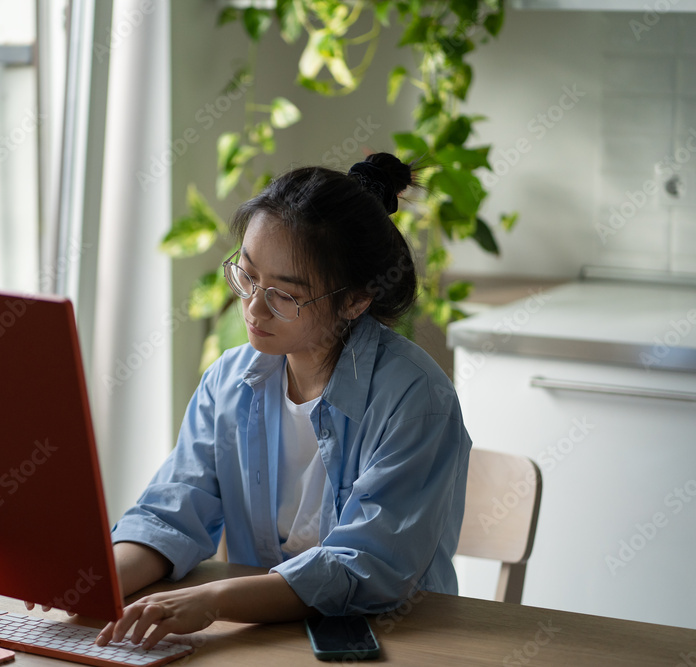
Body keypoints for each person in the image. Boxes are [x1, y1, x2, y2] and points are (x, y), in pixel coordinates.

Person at [95, 152, 472, 649]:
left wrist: (214, 600)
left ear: (356, 299)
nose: (253, 307)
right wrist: (96, 587)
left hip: (395, 644)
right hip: (268, 639)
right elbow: (171, 515)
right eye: (247, 275)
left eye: (285, 295)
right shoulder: (228, 382)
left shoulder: (416, 400)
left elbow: (366, 567)